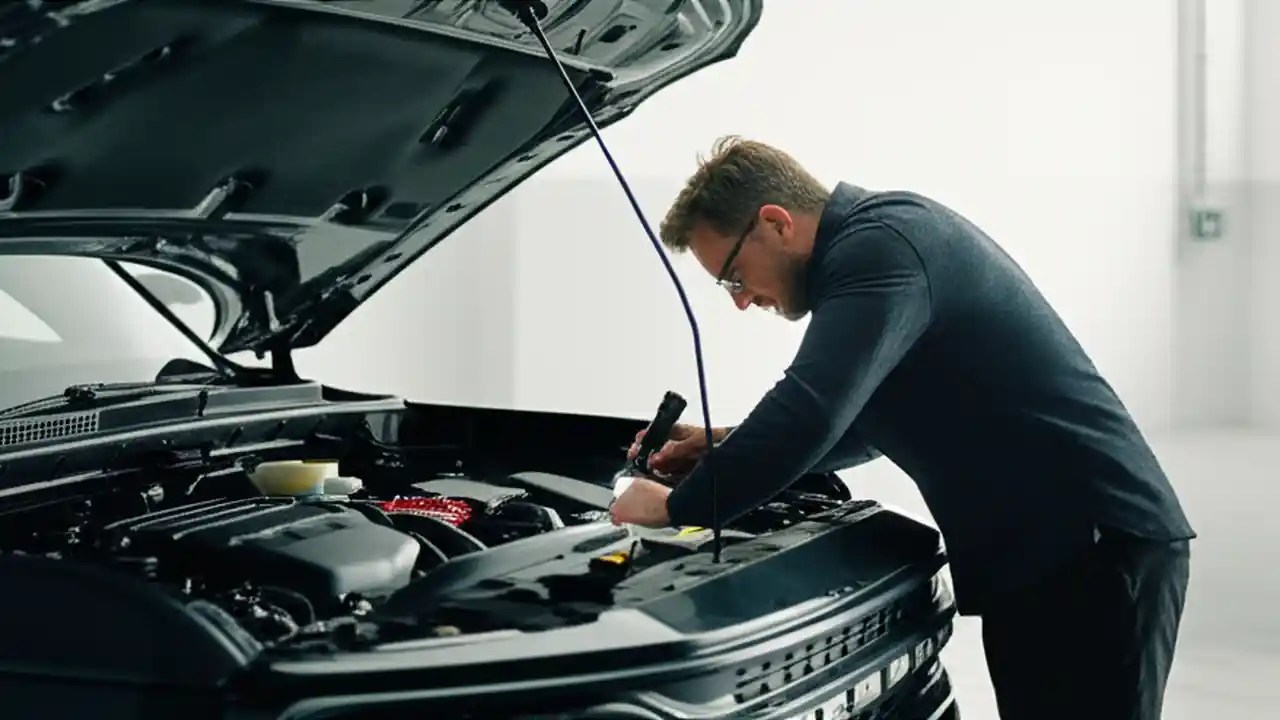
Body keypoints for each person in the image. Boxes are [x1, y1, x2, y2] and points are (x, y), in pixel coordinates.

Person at [609, 136, 1195, 720]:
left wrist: (676, 508)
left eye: (734, 276)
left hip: (1091, 550)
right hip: (1051, 558)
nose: (741, 301)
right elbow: (861, 428)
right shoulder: (881, 246)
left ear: (775, 223)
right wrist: (722, 443)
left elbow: (811, 408)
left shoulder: (880, 248)